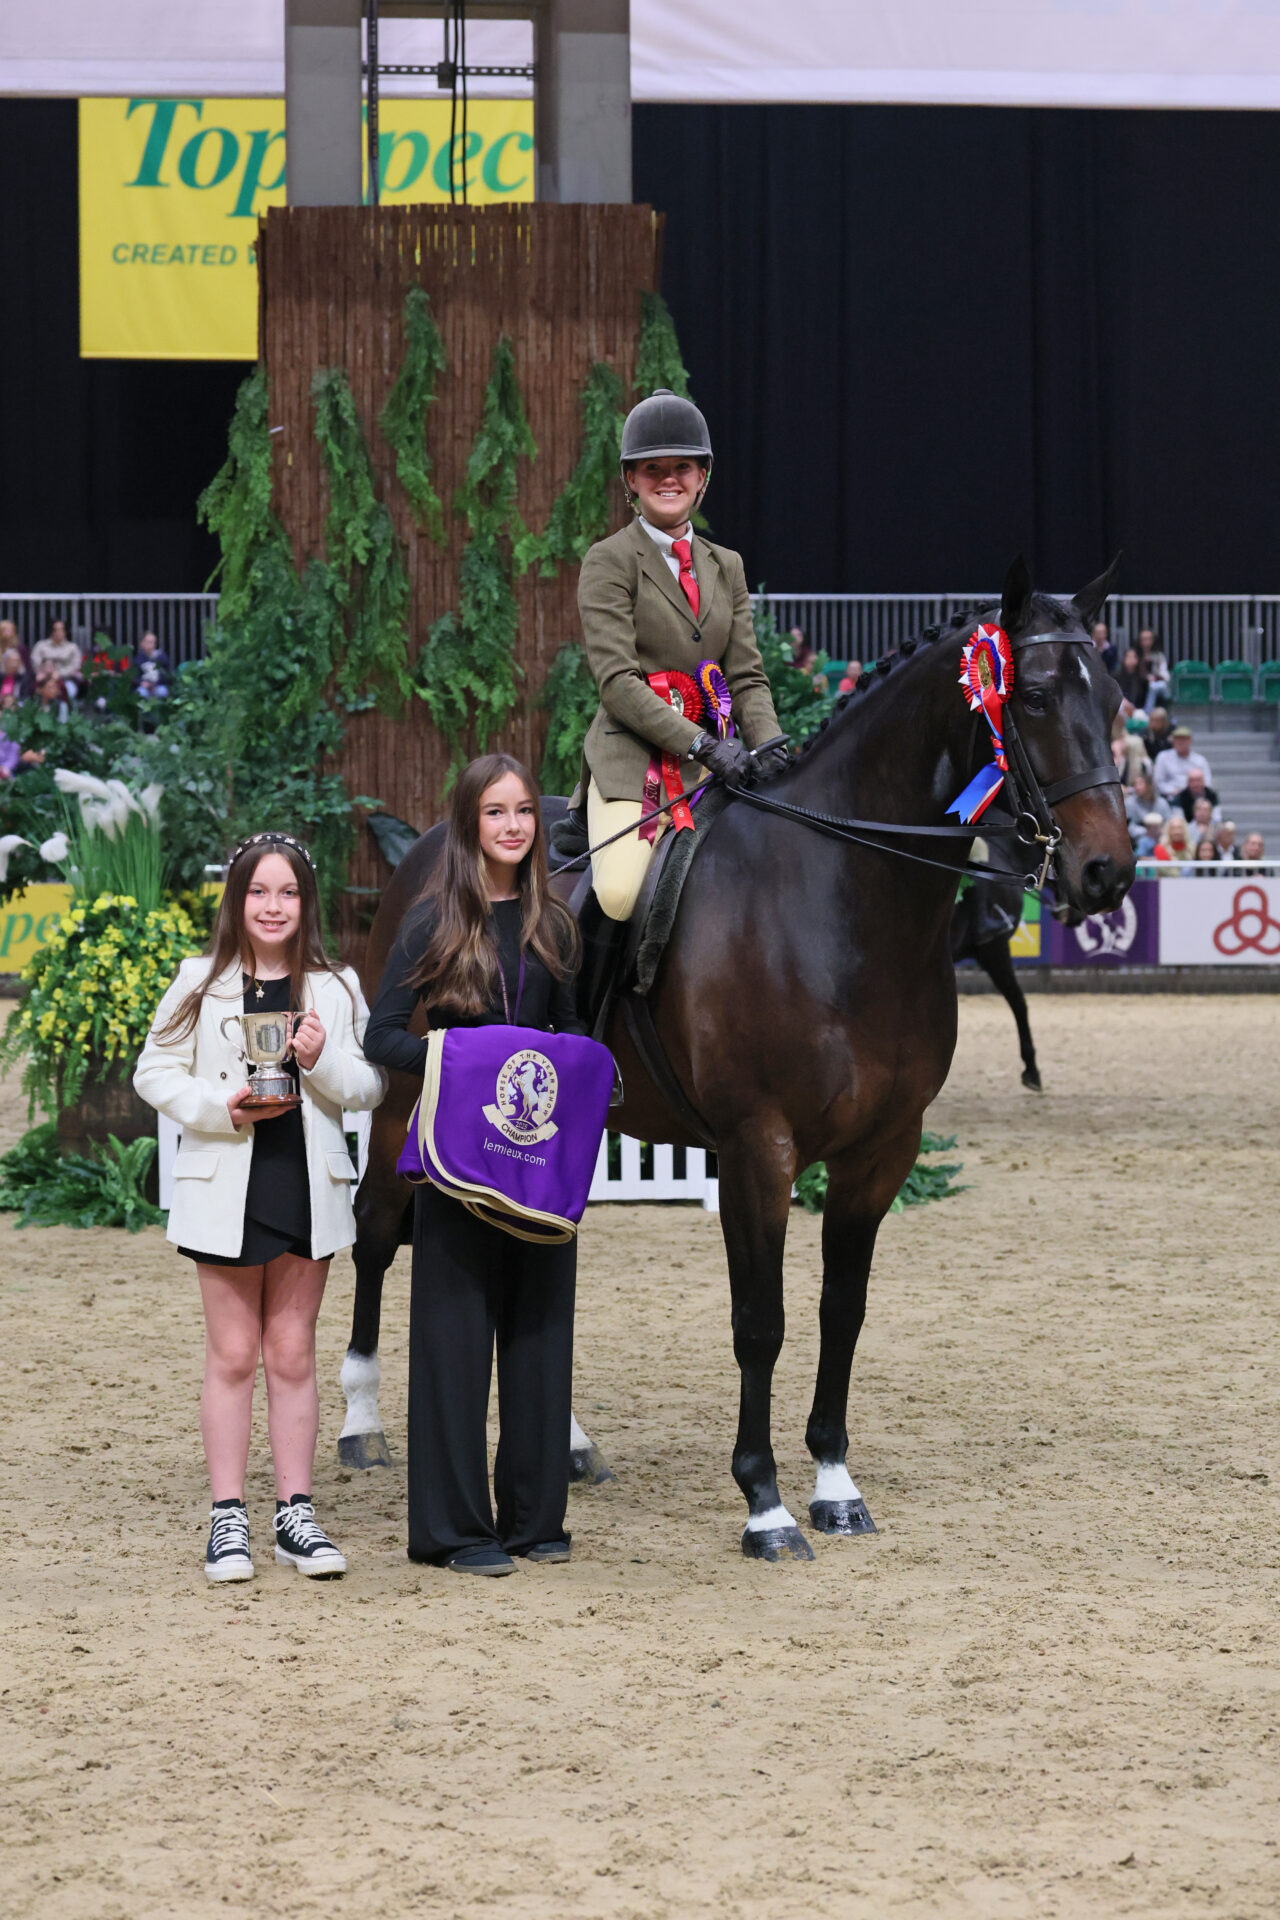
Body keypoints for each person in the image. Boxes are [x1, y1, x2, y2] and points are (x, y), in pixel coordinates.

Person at [134, 831, 385, 1585]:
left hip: (308, 1186)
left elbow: (370, 1085)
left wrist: (322, 1059)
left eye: (287, 892)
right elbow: (154, 1070)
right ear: (236, 900)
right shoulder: (196, 981)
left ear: (305, 903)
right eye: (258, 891)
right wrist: (220, 1107)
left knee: (292, 1353)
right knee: (234, 1355)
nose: (272, 906)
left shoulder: (336, 986)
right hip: (226, 1185)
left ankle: (296, 1515)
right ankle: (228, 1519)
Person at [363, 755, 586, 1577]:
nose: (513, 826)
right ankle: (456, 1532)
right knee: (455, 1347)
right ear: (470, 823)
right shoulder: (432, 923)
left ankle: (534, 1521)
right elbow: (380, 1036)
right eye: (496, 812)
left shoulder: (557, 927)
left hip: (537, 1168)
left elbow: (571, 1038)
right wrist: (454, 1061)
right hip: (458, 1162)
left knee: (539, 1338)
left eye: (524, 811)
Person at [573, 388, 784, 929]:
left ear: (702, 477)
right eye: (653, 469)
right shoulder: (609, 561)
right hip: (635, 764)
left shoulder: (726, 564)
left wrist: (772, 746)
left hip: (720, 764)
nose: (669, 479)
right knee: (619, 892)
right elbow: (618, 683)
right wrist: (701, 743)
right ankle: (585, 1013)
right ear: (631, 481)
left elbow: (747, 675)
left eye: (682, 467)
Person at [1154, 726, 1211, 802]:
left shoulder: (1200, 760)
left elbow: (1207, 782)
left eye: (1183, 739)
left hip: (1193, 798)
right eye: (1177, 739)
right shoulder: (1163, 757)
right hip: (1170, 797)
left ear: (1190, 740)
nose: (1179, 742)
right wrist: (1172, 790)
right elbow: (1159, 781)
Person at [30, 620, 81, 700]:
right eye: (56, 630)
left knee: (70, 691)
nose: (59, 632)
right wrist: (45, 672)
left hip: (65, 679)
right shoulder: (41, 645)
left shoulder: (72, 647)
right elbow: (35, 661)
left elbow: (74, 666)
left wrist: (59, 673)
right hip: (43, 679)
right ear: (51, 631)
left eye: (62, 630)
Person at [1125, 770, 1167, 844]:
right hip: (1139, 840)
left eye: (1140, 784)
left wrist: (1161, 832)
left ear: (1150, 785)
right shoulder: (1129, 803)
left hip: (1161, 838)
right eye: (1135, 784)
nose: (1137, 787)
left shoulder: (1162, 803)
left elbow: (1168, 823)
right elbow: (1129, 827)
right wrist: (1148, 832)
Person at [133, 630, 172, 700]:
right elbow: (133, 677)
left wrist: (156, 684)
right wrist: (141, 683)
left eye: (152, 642)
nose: (150, 645)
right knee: (141, 693)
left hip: (158, 686)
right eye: (148, 642)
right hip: (144, 687)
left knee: (162, 692)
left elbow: (167, 675)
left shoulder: (161, 657)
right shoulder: (138, 659)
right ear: (142, 643)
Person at [1136, 628, 1170, 702]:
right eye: (1144, 639)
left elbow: (1166, 676)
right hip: (1141, 686)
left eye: (1149, 639)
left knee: (1153, 686)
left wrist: (1155, 678)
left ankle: (1147, 711)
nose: (1147, 642)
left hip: (1159, 686)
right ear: (1140, 641)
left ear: (1153, 640)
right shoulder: (1136, 656)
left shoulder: (1159, 656)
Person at [1113, 647, 1150, 712]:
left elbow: (1144, 701)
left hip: (1138, 710)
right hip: (1121, 708)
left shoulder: (1143, 679)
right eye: (1128, 657)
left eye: (1133, 657)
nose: (1131, 660)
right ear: (1124, 659)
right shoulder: (1116, 676)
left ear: (1137, 659)